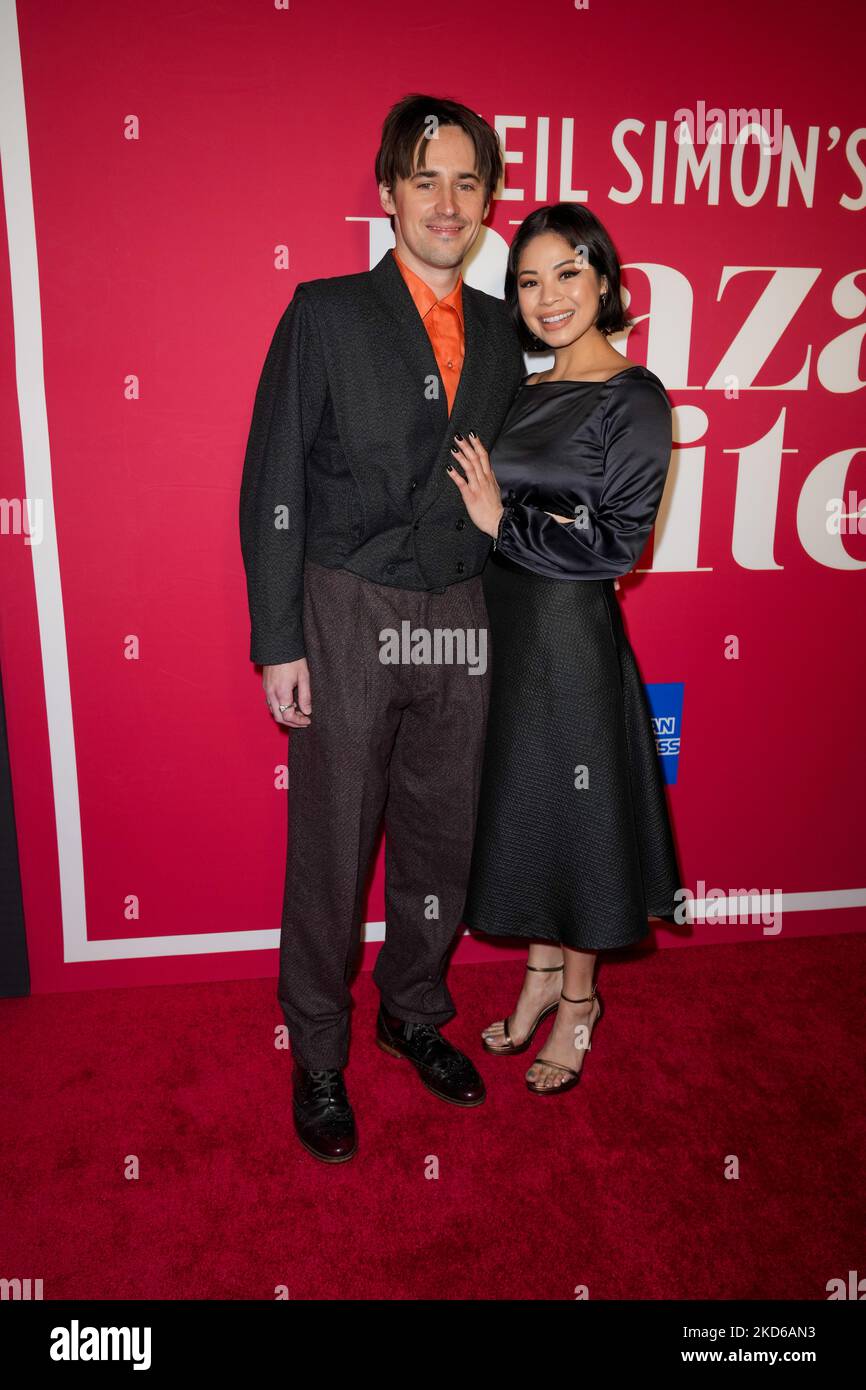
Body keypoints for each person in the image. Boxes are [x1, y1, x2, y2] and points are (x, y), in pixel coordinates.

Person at [239, 93, 525, 1161]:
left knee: (439, 835)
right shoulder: (322, 313)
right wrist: (278, 639)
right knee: (332, 842)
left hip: (457, 609)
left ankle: (412, 1011)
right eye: (424, 179)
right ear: (387, 193)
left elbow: (525, 474)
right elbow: (272, 481)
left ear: (487, 201)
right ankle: (318, 1048)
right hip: (346, 604)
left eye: (465, 181)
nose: (445, 202)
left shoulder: (502, 332)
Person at [447, 202, 682, 1096]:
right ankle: (543, 975)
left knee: (579, 815)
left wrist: (502, 521)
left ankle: (580, 1001)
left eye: (568, 274)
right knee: (533, 804)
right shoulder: (525, 388)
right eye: (530, 280)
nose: (548, 297)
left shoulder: (636, 396)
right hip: (504, 628)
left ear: (606, 283)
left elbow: (619, 546)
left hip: (569, 638)